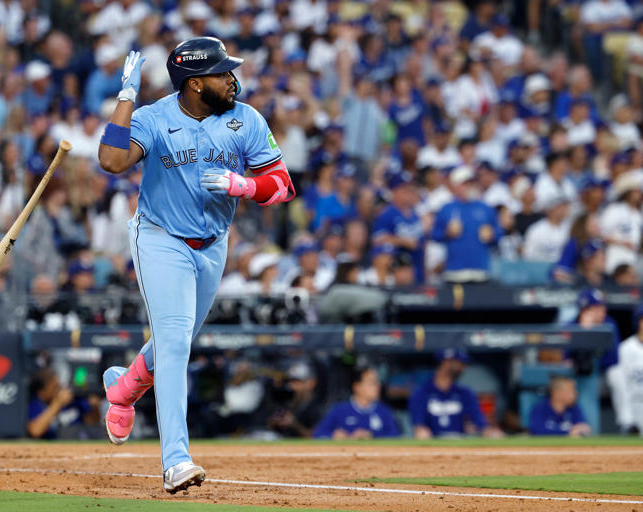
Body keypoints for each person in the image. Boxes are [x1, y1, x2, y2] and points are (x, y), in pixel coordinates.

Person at [97, 37, 295, 494]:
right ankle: (175, 461)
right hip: (161, 237)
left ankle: (124, 388)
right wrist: (126, 98)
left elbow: (283, 185)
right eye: (221, 73)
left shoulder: (245, 119)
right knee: (174, 344)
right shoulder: (153, 118)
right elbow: (111, 161)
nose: (232, 79)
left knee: (177, 336)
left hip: (212, 245)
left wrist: (244, 186)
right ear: (194, 83)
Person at [409, 348, 502, 439]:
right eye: (460, 363)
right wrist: (422, 432)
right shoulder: (421, 392)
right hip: (434, 444)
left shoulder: (464, 393)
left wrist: (491, 432)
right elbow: (419, 426)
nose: (463, 368)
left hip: (460, 443)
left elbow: (480, 422)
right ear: (446, 362)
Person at [431, 165, 501, 282]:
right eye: (465, 184)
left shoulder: (485, 208)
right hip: (455, 272)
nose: (469, 187)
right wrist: (447, 233)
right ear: (456, 186)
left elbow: (499, 233)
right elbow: (435, 235)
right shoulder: (447, 208)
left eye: (471, 183)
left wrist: (492, 235)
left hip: (480, 271)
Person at [313, 367, 399, 439]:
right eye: (372, 383)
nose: (377, 386)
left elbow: (395, 434)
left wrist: (371, 435)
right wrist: (334, 435)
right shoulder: (340, 410)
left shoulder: (384, 411)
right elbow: (318, 433)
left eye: (377, 382)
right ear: (357, 387)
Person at [27, 367, 101, 439]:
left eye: (59, 386)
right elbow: (35, 431)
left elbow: (92, 423)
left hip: (78, 442)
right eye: (54, 387)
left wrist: (94, 408)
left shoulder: (73, 400)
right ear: (41, 392)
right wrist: (57, 403)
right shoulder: (35, 405)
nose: (58, 390)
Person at [608, 304, 643, 434]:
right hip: (634, 405)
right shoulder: (626, 348)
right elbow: (620, 385)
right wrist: (627, 417)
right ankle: (627, 421)